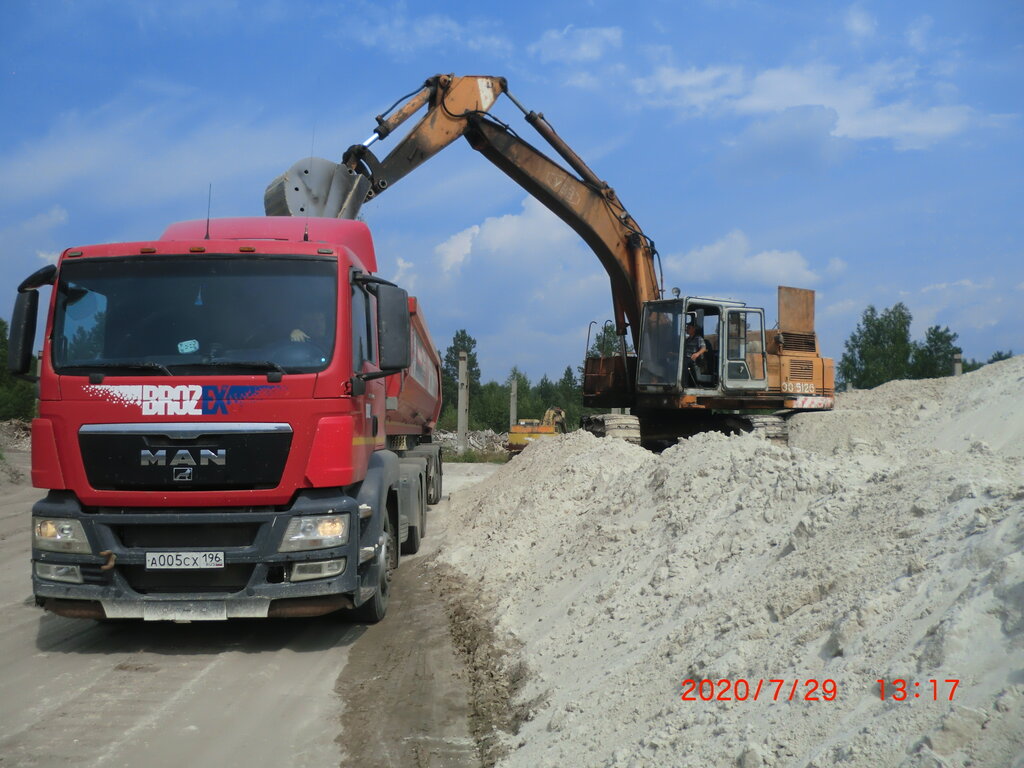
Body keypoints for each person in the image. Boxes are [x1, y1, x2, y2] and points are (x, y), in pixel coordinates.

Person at [684, 321, 706, 386]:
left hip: (693, 360)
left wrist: (697, 354)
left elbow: (703, 348)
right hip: (686, 358)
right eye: (687, 328)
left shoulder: (698, 338)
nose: (687, 329)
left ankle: (685, 385)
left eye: (689, 328)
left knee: (684, 364)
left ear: (694, 329)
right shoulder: (687, 340)